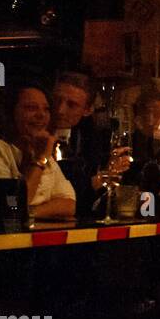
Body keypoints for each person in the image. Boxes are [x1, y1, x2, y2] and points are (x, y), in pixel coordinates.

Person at [0, 84, 76, 221]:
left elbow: (69, 204)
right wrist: (39, 161)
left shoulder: (40, 151)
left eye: (46, 109)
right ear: (9, 112)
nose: (41, 115)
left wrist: (29, 212)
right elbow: (10, 204)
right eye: (31, 108)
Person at [50, 71, 130, 217]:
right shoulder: (30, 135)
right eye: (56, 100)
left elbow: (86, 202)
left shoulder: (90, 140)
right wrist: (98, 179)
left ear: (88, 110)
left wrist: (108, 171)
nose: (60, 110)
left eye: (71, 105)